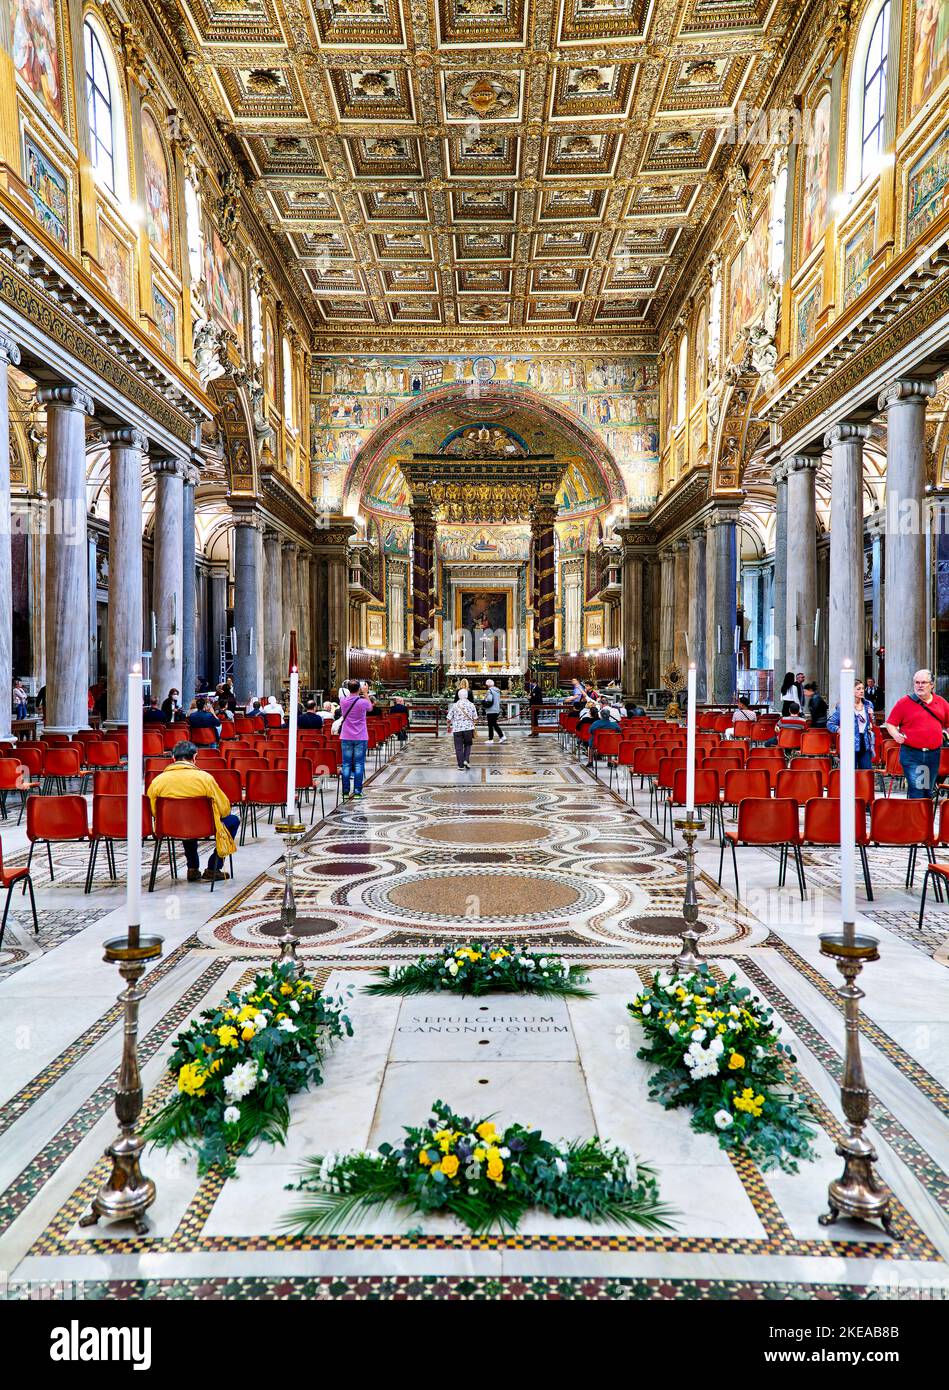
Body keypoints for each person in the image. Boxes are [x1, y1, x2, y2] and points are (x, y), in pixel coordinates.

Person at [147, 741, 240, 882]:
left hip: (171, 827)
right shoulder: (205, 778)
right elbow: (224, 809)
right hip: (203, 826)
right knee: (233, 820)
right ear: (194, 757)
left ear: (173, 758)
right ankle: (214, 867)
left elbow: (152, 810)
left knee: (185, 824)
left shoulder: (158, 781)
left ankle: (192, 868)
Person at [883, 669, 949, 799]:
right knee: (918, 789)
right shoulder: (904, 702)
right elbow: (890, 724)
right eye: (917, 682)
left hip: (933, 754)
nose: (920, 685)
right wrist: (896, 735)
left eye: (923, 682)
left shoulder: (941, 702)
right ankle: (917, 810)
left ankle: (921, 811)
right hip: (912, 754)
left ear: (931, 685)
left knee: (927, 790)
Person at [827, 680, 878, 770]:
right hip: (850, 744)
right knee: (850, 773)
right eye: (858, 689)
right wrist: (840, 730)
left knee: (866, 773)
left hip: (865, 742)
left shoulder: (868, 704)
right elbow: (830, 723)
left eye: (862, 689)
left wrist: (871, 718)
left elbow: (872, 723)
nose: (861, 691)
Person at [339, 678, 373, 800]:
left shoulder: (343, 701)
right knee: (359, 764)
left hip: (346, 735)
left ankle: (345, 792)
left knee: (346, 764)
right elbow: (370, 708)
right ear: (359, 689)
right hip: (360, 736)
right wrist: (365, 693)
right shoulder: (363, 702)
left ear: (348, 689)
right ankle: (358, 792)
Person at [446, 686, 478, 768]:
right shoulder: (471, 705)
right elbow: (475, 718)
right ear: (467, 696)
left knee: (458, 747)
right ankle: (466, 760)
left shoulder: (455, 705)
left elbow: (449, 718)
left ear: (458, 696)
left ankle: (460, 765)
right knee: (468, 745)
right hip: (468, 728)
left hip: (457, 729)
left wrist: (448, 726)